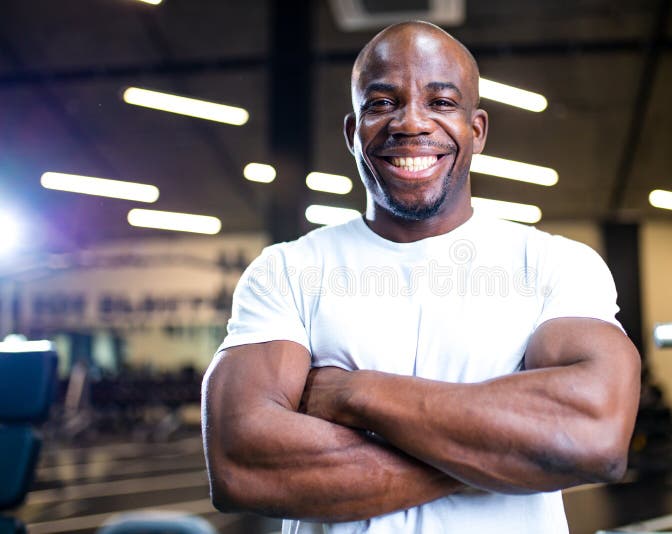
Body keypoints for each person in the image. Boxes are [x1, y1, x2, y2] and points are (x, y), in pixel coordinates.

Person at [202, 20, 640, 534]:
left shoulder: (556, 264)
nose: (411, 123)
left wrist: (349, 395)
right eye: (383, 103)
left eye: (441, 102)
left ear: (476, 131)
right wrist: (502, 455)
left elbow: (594, 436)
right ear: (353, 131)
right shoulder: (286, 271)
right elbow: (240, 464)